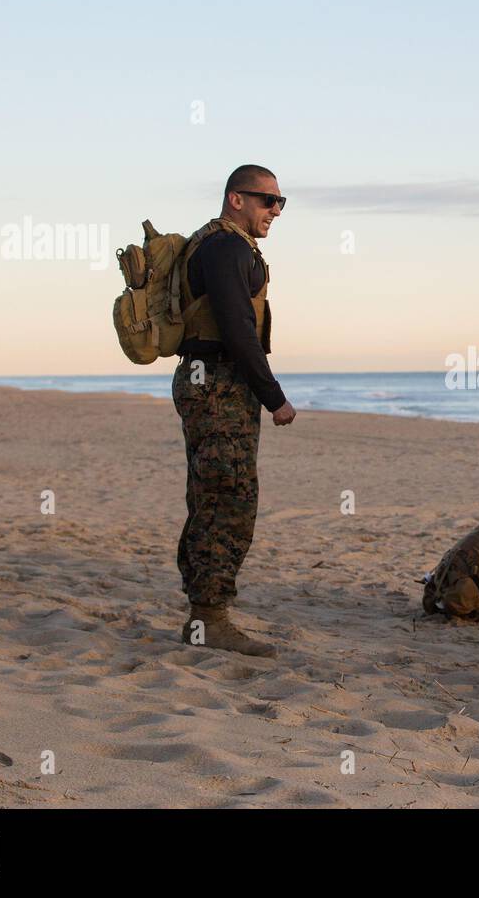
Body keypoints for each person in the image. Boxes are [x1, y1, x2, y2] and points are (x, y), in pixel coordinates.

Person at [173, 164, 296, 658]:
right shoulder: (225, 247)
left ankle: (204, 616)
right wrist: (274, 397)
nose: (276, 211)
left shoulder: (216, 243)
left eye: (281, 203)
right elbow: (238, 327)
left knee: (209, 494)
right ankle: (209, 617)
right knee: (230, 499)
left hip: (210, 382)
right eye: (268, 201)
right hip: (220, 384)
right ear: (235, 199)